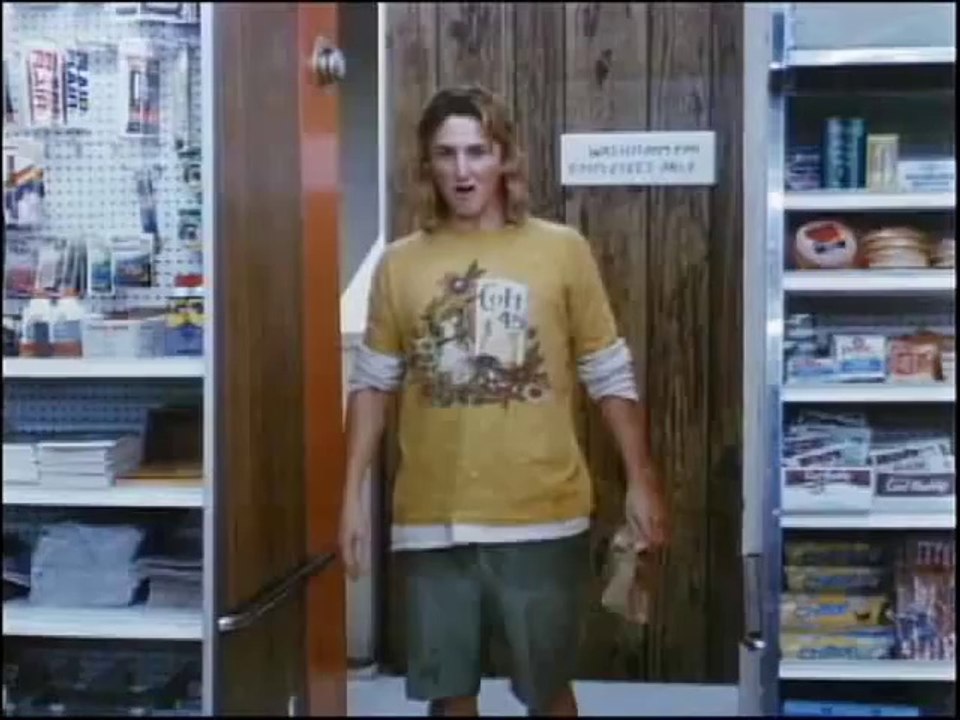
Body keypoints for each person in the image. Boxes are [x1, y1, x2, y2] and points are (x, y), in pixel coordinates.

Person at [339, 85, 669, 717]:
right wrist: (350, 497)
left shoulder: (561, 250)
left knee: (548, 692)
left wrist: (641, 480)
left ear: (504, 159)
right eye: (446, 154)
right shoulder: (399, 265)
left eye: (478, 151)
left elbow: (608, 371)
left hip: (541, 515)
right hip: (431, 520)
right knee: (449, 696)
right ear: (427, 164)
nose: (462, 171)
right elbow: (374, 384)